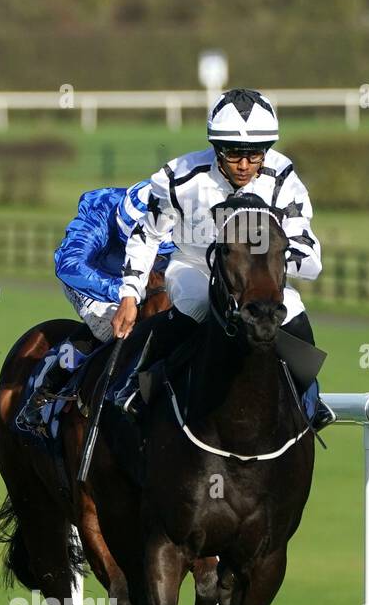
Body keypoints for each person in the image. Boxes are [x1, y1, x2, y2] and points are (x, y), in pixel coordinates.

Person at [108, 87, 333, 429]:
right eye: (232, 154)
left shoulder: (283, 178)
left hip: (258, 275)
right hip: (195, 267)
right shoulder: (179, 177)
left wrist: (268, 263)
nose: (244, 165)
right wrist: (130, 293)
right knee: (198, 303)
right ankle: (137, 384)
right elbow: (147, 235)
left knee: (293, 311)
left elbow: (310, 254)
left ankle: (310, 398)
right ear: (215, 149)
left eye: (255, 155)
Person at [16, 180, 172, 433]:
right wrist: (127, 294)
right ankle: (46, 390)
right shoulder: (101, 211)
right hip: (95, 281)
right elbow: (70, 265)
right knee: (117, 326)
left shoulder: (177, 213)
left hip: (152, 283)